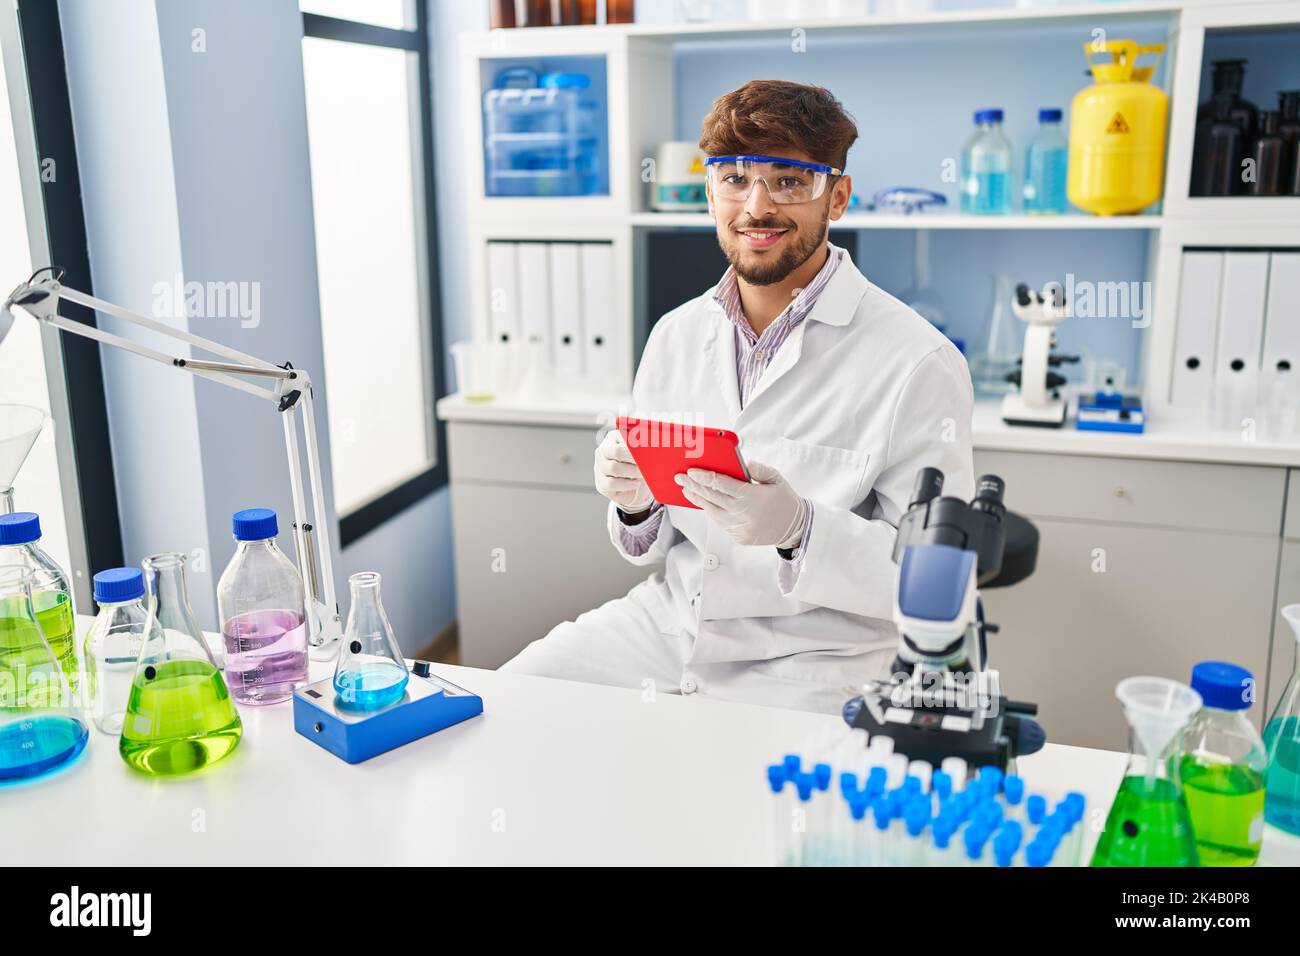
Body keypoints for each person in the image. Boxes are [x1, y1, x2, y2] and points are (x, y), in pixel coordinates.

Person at [500, 80, 974, 713]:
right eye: (734, 178)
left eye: (788, 180)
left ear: (836, 197)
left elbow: (937, 587)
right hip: (675, 625)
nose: (757, 206)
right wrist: (636, 503)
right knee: (514, 695)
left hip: (820, 657)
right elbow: (658, 542)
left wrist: (800, 530)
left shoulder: (919, 361)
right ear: (709, 191)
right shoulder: (676, 334)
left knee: (744, 798)